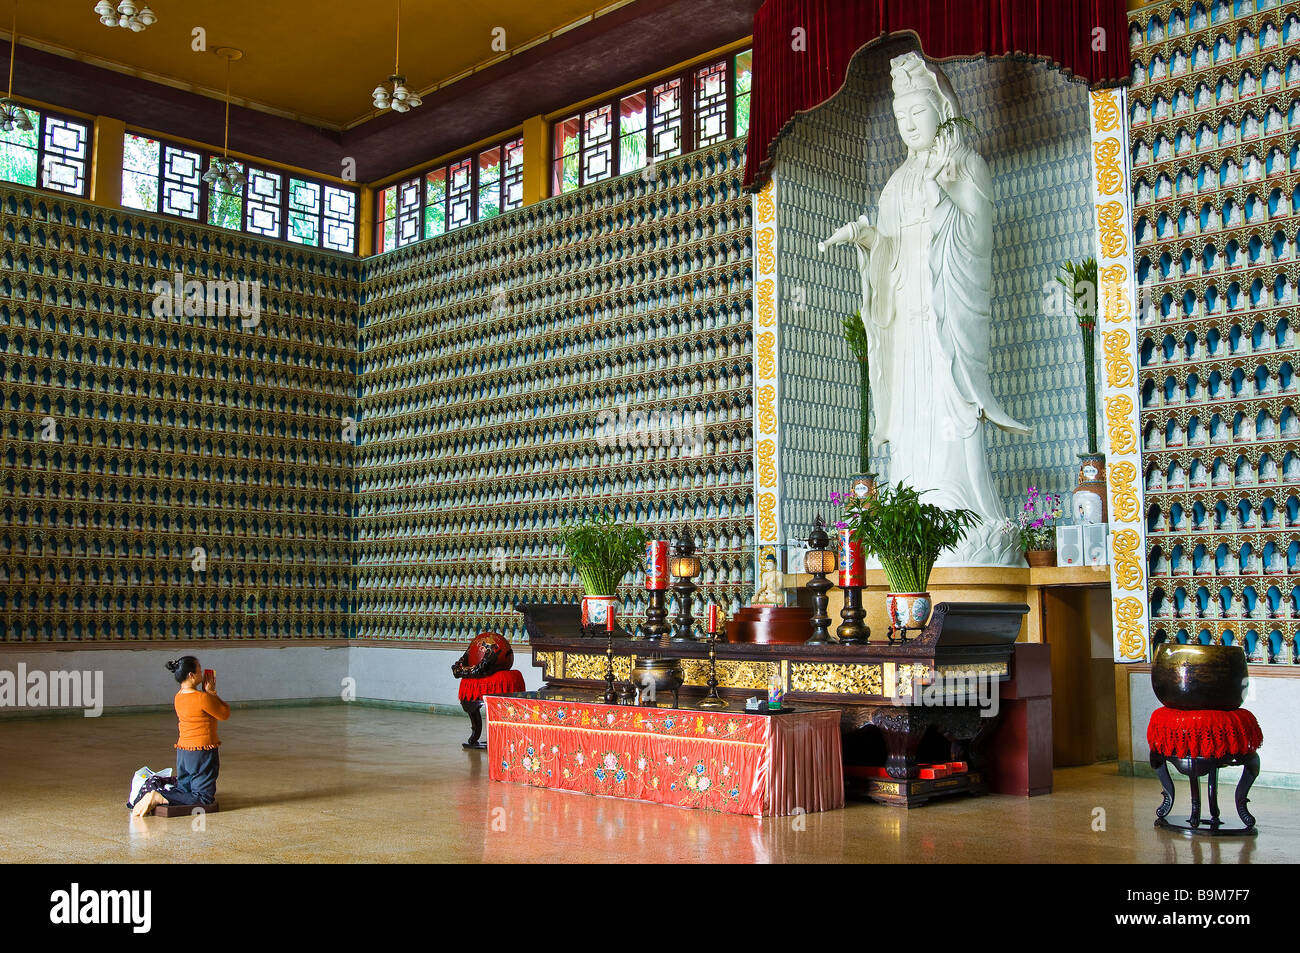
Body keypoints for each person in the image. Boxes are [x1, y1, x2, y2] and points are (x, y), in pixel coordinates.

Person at [820, 51, 1028, 565]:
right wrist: (871, 241)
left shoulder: (965, 163)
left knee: (949, 406)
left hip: (945, 318)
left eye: (918, 113)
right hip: (908, 321)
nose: (909, 124)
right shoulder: (894, 184)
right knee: (910, 413)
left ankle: (963, 516)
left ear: (940, 111)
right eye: (901, 117)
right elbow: (891, 254)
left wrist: (951, 184)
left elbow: (978, 236)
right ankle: (907, 522)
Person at [131, 656, 230, 817]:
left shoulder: (179, 696)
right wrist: (212, 693)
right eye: (199, 670)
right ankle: (158, 796)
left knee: (184, 788)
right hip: (201, 751)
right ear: (191, 675)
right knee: (204, 798)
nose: (201, 673)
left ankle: (161, 795)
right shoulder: (202, 698)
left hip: (183, 751)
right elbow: (224, 713)